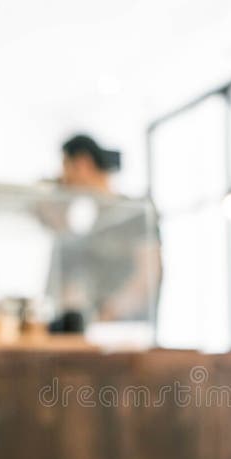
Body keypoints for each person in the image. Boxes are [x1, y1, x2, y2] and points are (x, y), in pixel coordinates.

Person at [47, 134, 162, 328]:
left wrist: (110, 312)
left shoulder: (134, 213)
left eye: (65, 165)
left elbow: (148, 276)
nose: (63, 177)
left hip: (129, 334)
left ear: (83, 163)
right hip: (95, 334)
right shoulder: (90, 227)